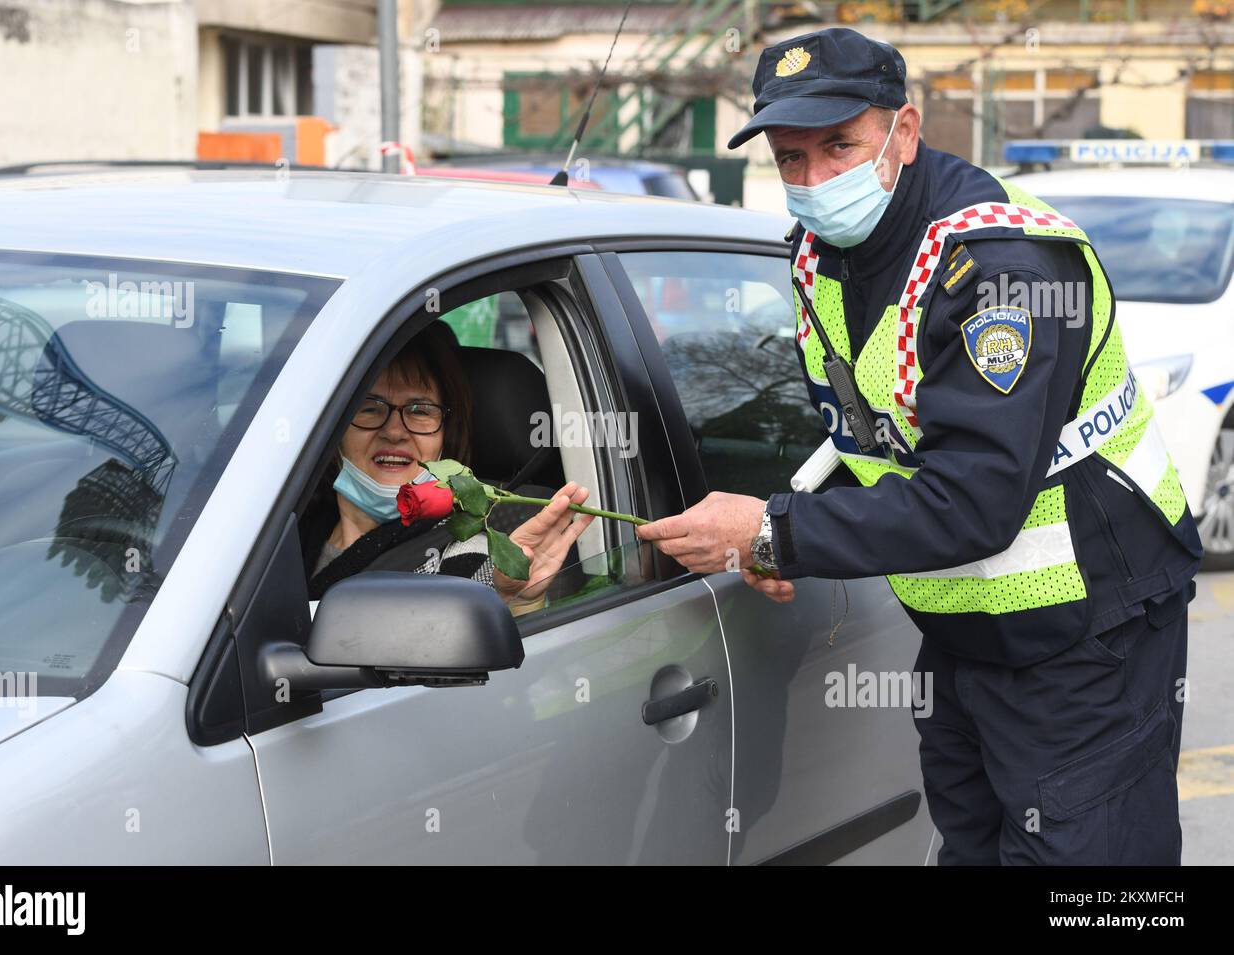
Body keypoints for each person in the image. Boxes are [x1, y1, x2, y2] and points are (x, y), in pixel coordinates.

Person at [636, 27, 1203, 865]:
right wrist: (783, 525)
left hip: (1092, 638)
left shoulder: (1002, 268)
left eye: (840, 146)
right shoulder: (825, 257)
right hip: (965, 633)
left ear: (902, 132)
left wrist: (774, 531)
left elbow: (976, 498)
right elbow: (873, 439)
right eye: (792, 160)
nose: (816, 180)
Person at [300, 322, 593, 616]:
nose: (394, 431)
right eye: (370, 407)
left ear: (446, 436)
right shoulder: (288, 523)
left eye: (420, 411)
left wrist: (515, 602)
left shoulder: (463, 552)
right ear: (334, 429)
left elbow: (483, 610)